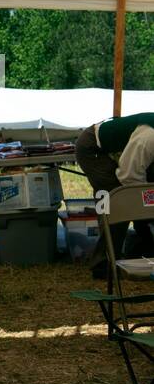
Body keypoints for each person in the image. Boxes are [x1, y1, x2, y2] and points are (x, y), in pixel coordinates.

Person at [76, 112, 154, 275]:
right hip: (94, 150)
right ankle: (103, 264)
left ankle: (142, 252)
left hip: (122, 157)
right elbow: (129, 176)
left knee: (144, 202)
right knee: (116, 204)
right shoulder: (148, 136)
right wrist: (147, 209)